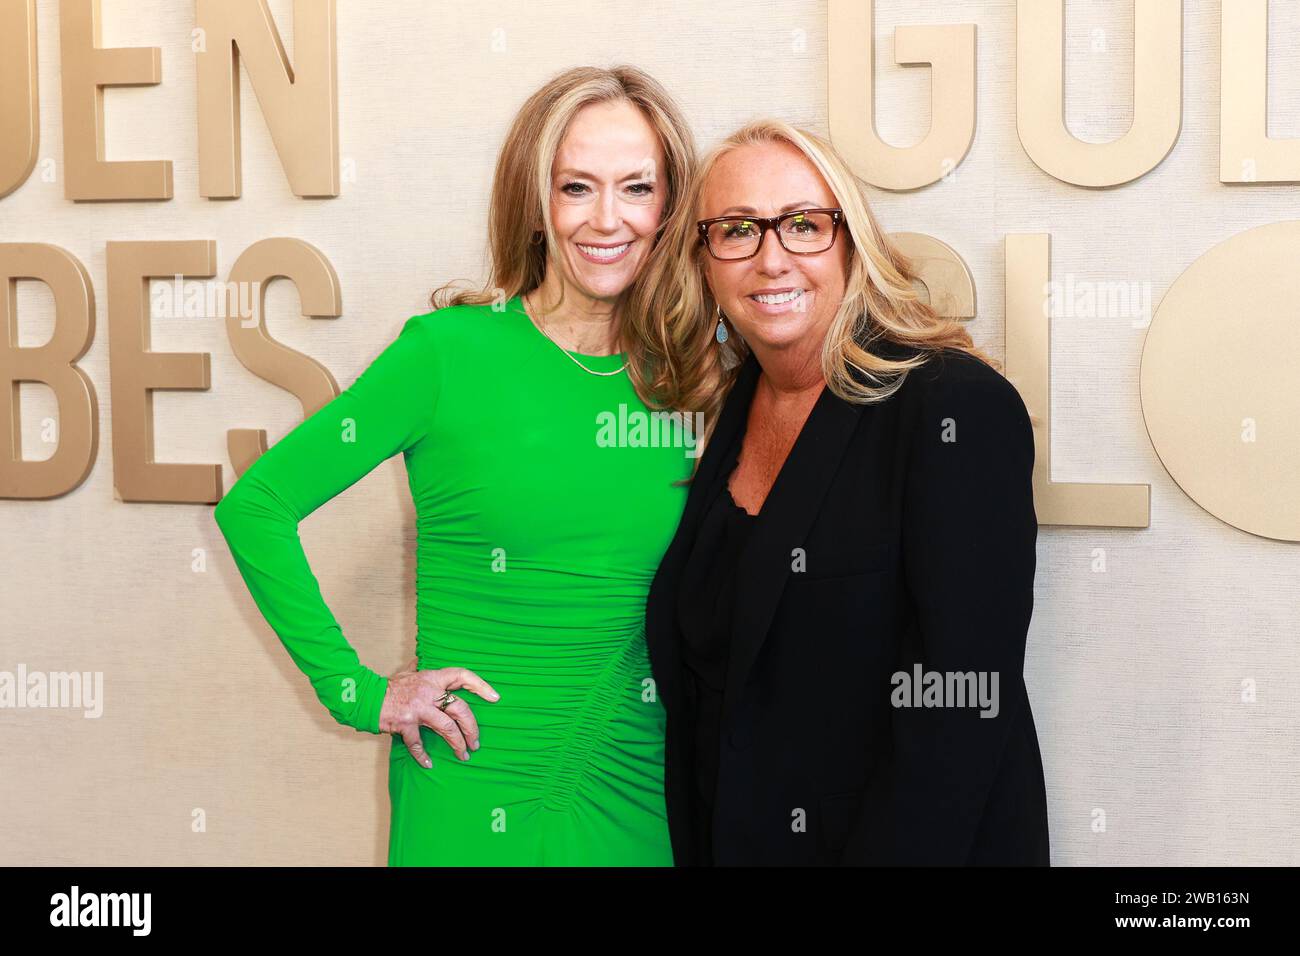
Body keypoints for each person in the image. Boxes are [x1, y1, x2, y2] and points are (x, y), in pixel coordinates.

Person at [214, 66, 700, 865]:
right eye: (576, 187)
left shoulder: (697, 374)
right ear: (534, 204)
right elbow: (256, 506)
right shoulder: (445, 355)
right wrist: (358, 691)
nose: (607, 218)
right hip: (473, 785)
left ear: (670, 206)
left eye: (637, 188)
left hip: (642, 787)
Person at [631, 118, 1051, 865]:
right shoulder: (730, 406)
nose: (771, 259)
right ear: (703, 261)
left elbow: (962, 703)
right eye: (737, 230)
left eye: (803, 225)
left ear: (851, 243)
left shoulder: (952, 407)